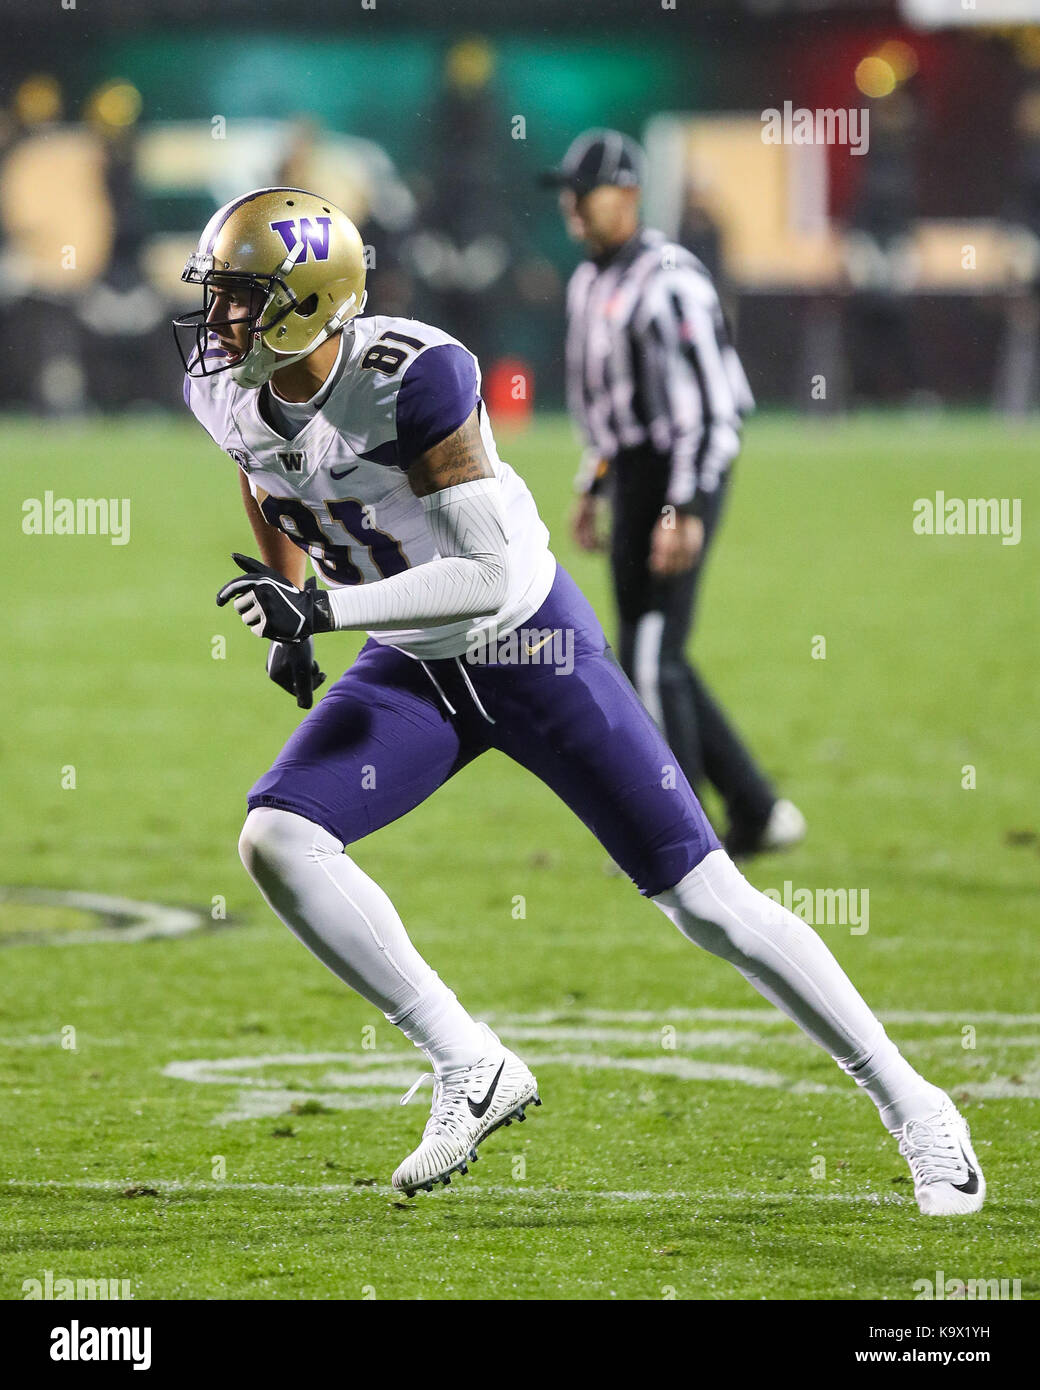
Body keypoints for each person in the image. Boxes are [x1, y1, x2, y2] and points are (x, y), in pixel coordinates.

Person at [173, 186, 983, 1213]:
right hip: (412, 659)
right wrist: (289, 585)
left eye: (244, 300)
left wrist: (320, 607)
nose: (220, 322)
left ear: (307, 304)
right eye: (220, 297)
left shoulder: (415, 376)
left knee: (706, 902)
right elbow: (266, 468)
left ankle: (916, 1107)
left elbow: (482, 575)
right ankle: (471, 1063)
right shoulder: (223, 386)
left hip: (526, 641)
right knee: (277, 838)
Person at [542, 129, 804, 856]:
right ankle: (755, 808)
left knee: (652, 654)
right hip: (633, 474)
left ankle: (685, 841)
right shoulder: (589, 279)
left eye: (582, 190)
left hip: (677, 472)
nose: (569, 206)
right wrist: (591, 485)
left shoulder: (670, 279)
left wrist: (683, 506)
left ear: (625, 194)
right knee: (657, 654)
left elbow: (714, 410)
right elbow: (605, 412)